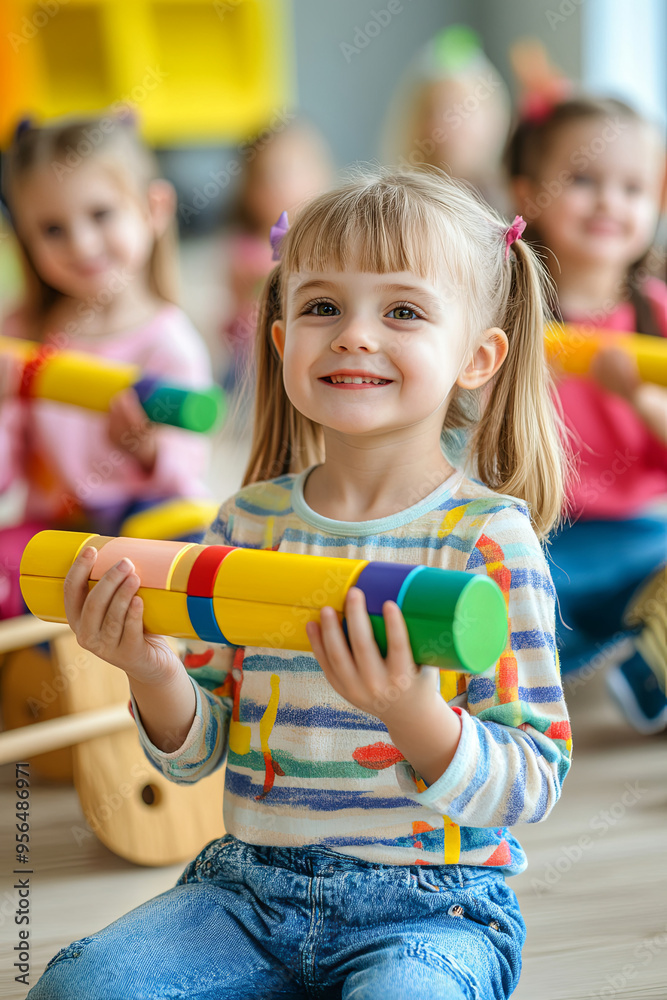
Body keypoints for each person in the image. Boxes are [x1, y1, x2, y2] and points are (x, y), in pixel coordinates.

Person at [28, 168, 572, 1000]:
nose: (353, 334)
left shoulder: (487, 542)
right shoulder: (245, 524)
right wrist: (150, 669)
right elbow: (199, 750)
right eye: (321, 307)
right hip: (246, 892)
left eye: (401, 310)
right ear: (280, 341)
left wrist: (411, 715)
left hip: (434, 910)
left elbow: (531, 778)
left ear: (477, 357)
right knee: (81, 987)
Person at [0, 112, 213, 618]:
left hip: (149, 518)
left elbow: (186, 463)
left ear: (153, 208)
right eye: (52, 228)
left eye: (100, 215)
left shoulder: (167, 340)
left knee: (193, 554)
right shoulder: (23, 337)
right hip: (58, 528)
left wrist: (146, 449)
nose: (81, 244)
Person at [506, 95, 667, 734]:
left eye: (633, 188)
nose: (609, 202)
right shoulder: (508, 307)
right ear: (528, 192)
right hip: (538, 536)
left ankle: (648, 670)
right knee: (507, 623)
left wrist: (638, 395)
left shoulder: (654, 312)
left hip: (642, 535)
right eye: (582, 180)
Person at [218, 118, 332, 402]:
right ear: (249, 191)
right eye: (270, 177)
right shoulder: (245, 251)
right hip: (255, 360)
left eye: (294, 171)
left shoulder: (327, 242)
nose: (282, 185)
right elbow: (259, 287)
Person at [379, 25, 512, 213]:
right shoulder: (400, 204)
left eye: (461, 108)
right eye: (430, 112)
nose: (443, 124)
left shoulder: (509, 200)